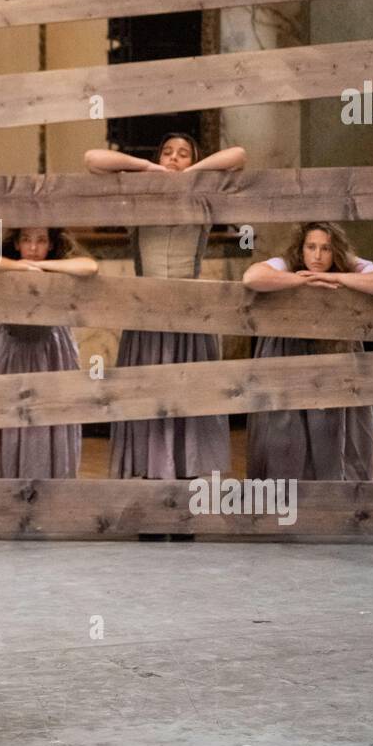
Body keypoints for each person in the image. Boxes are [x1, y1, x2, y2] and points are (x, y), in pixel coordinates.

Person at [83, 135, 246, 530]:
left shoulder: (202, 194)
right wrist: (150, 170)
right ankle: (150, 504)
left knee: (189, 402)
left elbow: (238, 156)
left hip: (191, 317)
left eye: (183, 154)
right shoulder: (140, 196)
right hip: (146, 317)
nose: (174, 159)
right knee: (148, 401)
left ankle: (187, 502)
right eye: (167, 153)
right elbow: (93, 158)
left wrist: (188, 175)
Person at [243, 222, 373, 481]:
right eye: (311, 247)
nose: (317, 256)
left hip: (335, 358)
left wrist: (336, 277)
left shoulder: (348, 264)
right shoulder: (286, 263)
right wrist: (300, 279)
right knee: (285, 433)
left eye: (326, 249)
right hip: (288, 355)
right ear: (302, 249)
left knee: (335, 430)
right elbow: (252, 277)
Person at [0, 227, 98, 478]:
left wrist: (47, 266)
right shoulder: (6, 264)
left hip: (51, 346)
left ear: (50, 244)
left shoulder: (57, 264)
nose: (33, 247)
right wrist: (22, 266)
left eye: (41, 241)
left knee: (53, 411)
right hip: (9, 346)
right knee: (9, 412)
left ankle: (55, 481)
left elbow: (90, 267)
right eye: (26, 240)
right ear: (17, 243)